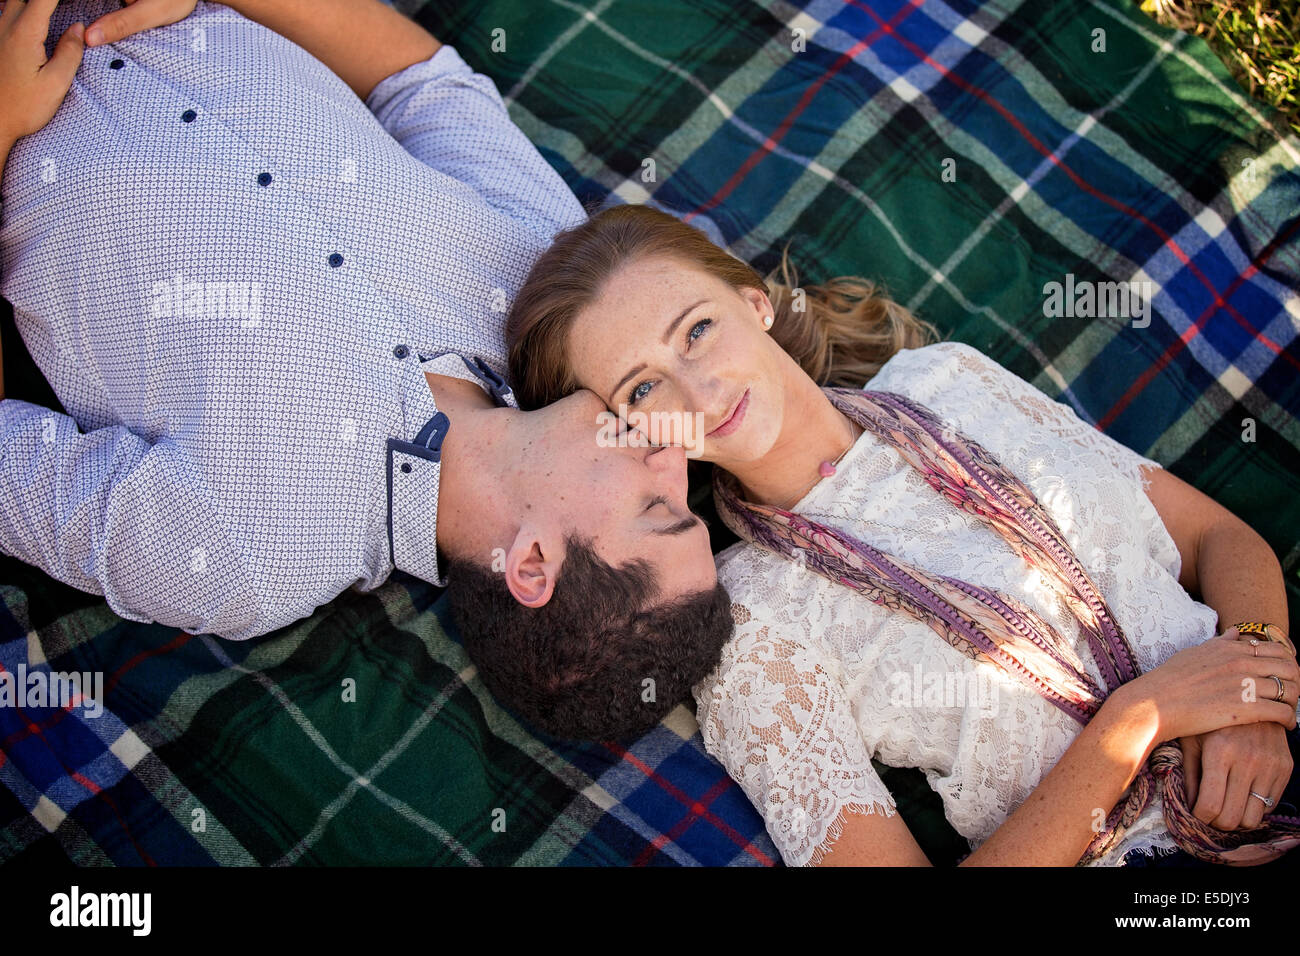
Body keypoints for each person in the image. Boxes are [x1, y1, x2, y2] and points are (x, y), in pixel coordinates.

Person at [0, 0, 731, 741]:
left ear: (533, 564)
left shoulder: (249, 557)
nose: (672, 455)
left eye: (658, 509)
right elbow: (423, 84)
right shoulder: (563, 294)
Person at [505, 200, 1300, 865]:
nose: (700, 388)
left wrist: (1254, 699)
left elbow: (1221, 541)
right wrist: (1139, 722)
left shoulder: (948, 379)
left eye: (698, 330)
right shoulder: (750, 630)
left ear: (754, 303)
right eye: (644, 387)